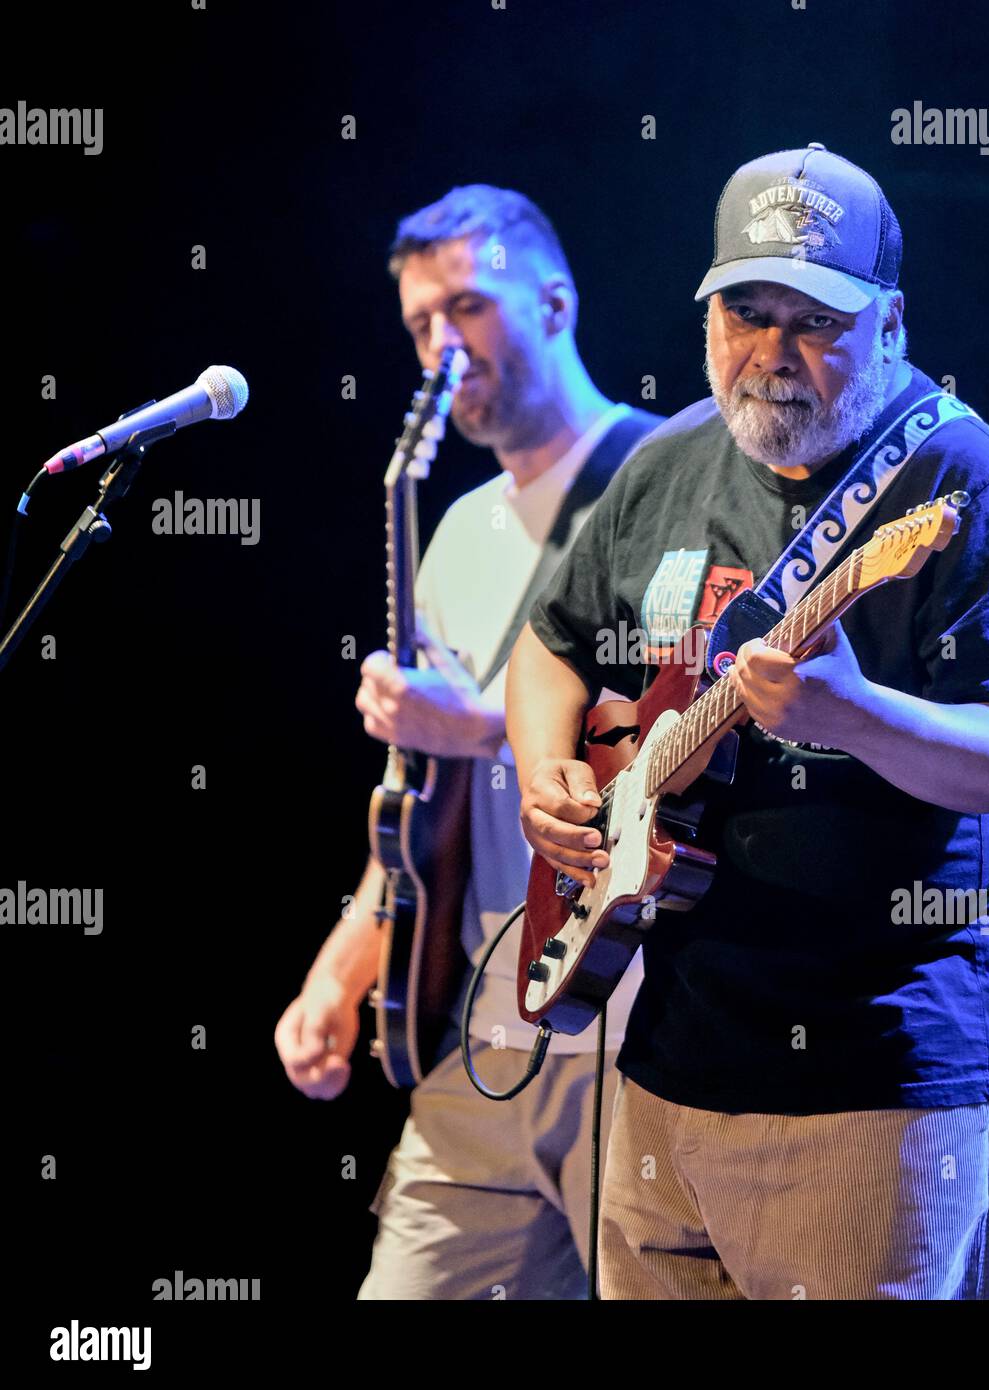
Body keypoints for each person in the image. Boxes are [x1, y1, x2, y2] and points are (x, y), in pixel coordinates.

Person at [505, 145, 989, 1299]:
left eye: (813, 320)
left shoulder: (972, 489)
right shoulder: (665, 461)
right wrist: (546, 781)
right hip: (668, 1059)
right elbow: (546, 643)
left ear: (891, 324)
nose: (771, 355)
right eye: (743, 312)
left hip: (880, 1078)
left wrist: (856, 716)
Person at [274, 184, 660, 1299]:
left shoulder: (657, 483)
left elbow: (663, 737)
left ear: (552, 302)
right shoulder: (452, 532)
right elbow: (417, 806)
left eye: (466, 308)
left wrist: (483, 721)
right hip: (480, 1038)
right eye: (417, 326)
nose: (441, 345)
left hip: (628, 1025)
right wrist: (341, 972)